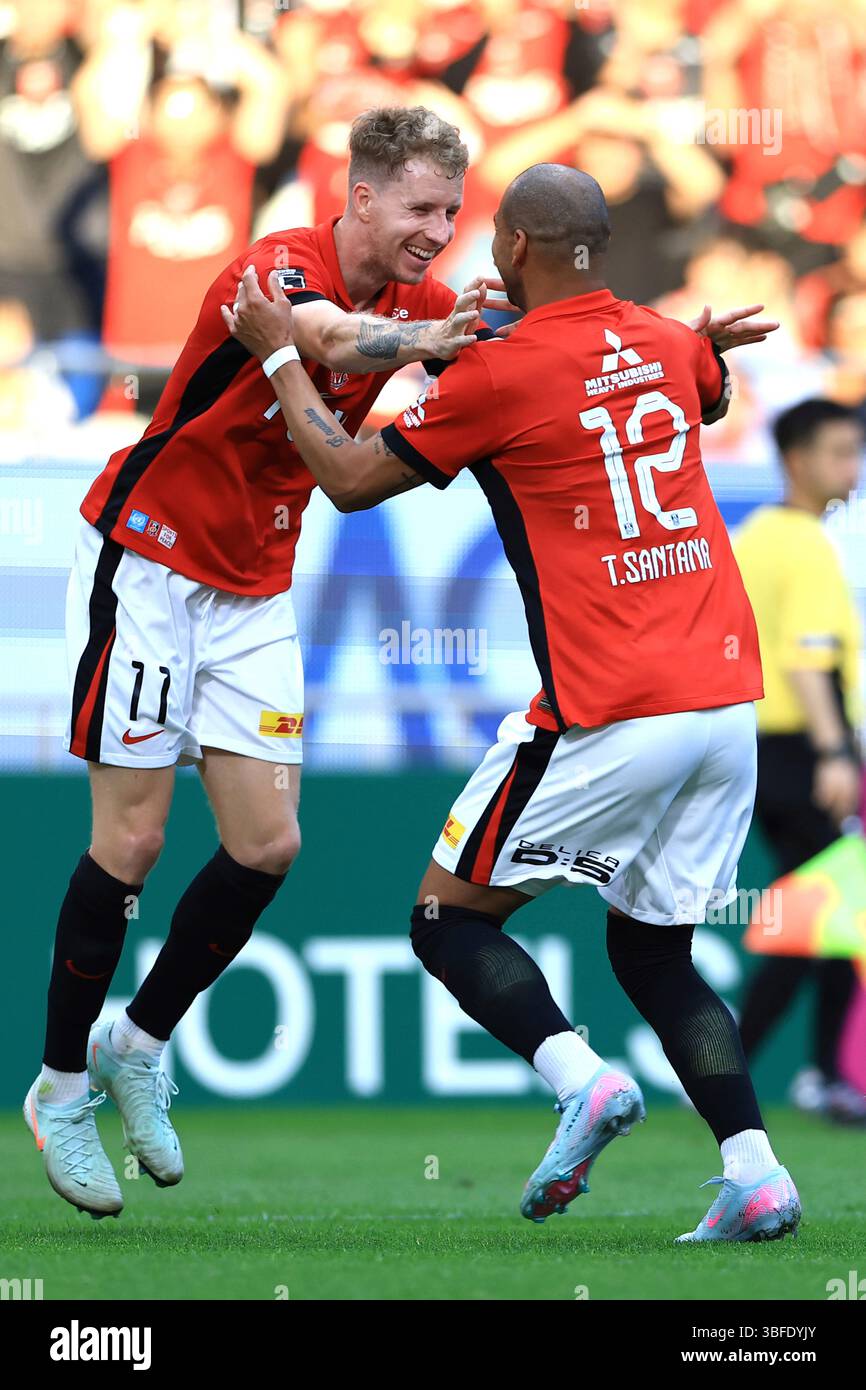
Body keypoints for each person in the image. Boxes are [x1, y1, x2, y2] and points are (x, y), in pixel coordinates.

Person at [222, 161, 801, 1244]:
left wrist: (283, 361)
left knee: (445, 916)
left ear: (517, 248)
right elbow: (701, 381)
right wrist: (702, 352)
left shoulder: (497, 373)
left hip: (611, 700)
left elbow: (346, 480)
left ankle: (581, 1079)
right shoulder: (673, 340)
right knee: (653, 949)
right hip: (725, 701)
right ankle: (754, 1170)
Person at [23, 104, 509, 1220]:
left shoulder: (428, 297)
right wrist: (431, 342)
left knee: (267, 841)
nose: (439, 229)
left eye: (453, 209)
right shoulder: (273, 267)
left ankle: (136, 1041)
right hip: (145, 564)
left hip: (253, 589)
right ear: (364, 196)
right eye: (422, 208)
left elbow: (477, 341)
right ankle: (57, 1088)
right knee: (133, 837)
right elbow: (332, 343)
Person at [734, 399, 866, 1124]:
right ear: (796, 460)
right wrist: (835, 752)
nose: (852, 468)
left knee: (821, 911)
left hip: (759, 751)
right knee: (827, 913)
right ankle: (746, 1066)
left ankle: (798, 1072)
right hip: (799, 751)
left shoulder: (759, 536)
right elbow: (809, 663)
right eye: (839, 453)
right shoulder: (807, 546)